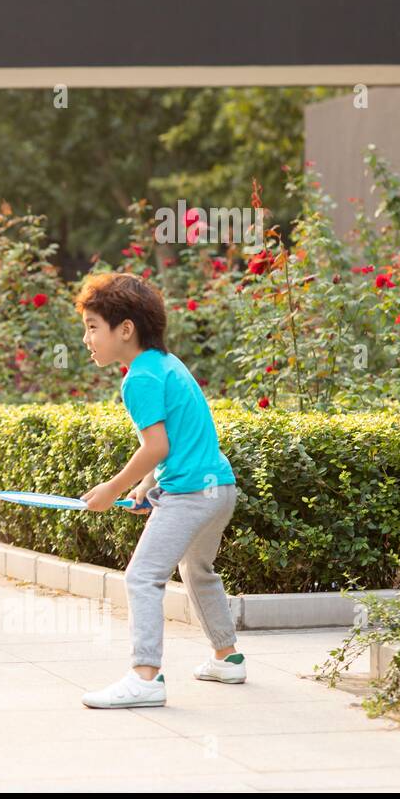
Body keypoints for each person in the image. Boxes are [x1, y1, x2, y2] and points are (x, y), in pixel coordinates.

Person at [74, 272, 243, 709]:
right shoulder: (167, 364)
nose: (86, 337)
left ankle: (145, 676)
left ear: (125, 329)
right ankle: (228, 656)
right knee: (197, 569)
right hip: (219, 489)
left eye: (93, 326)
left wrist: (112, 488)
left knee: (142, 577)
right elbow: (176, 444)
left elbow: (157, 445)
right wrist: (148, 487)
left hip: (190, 496)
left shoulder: (139, 380)